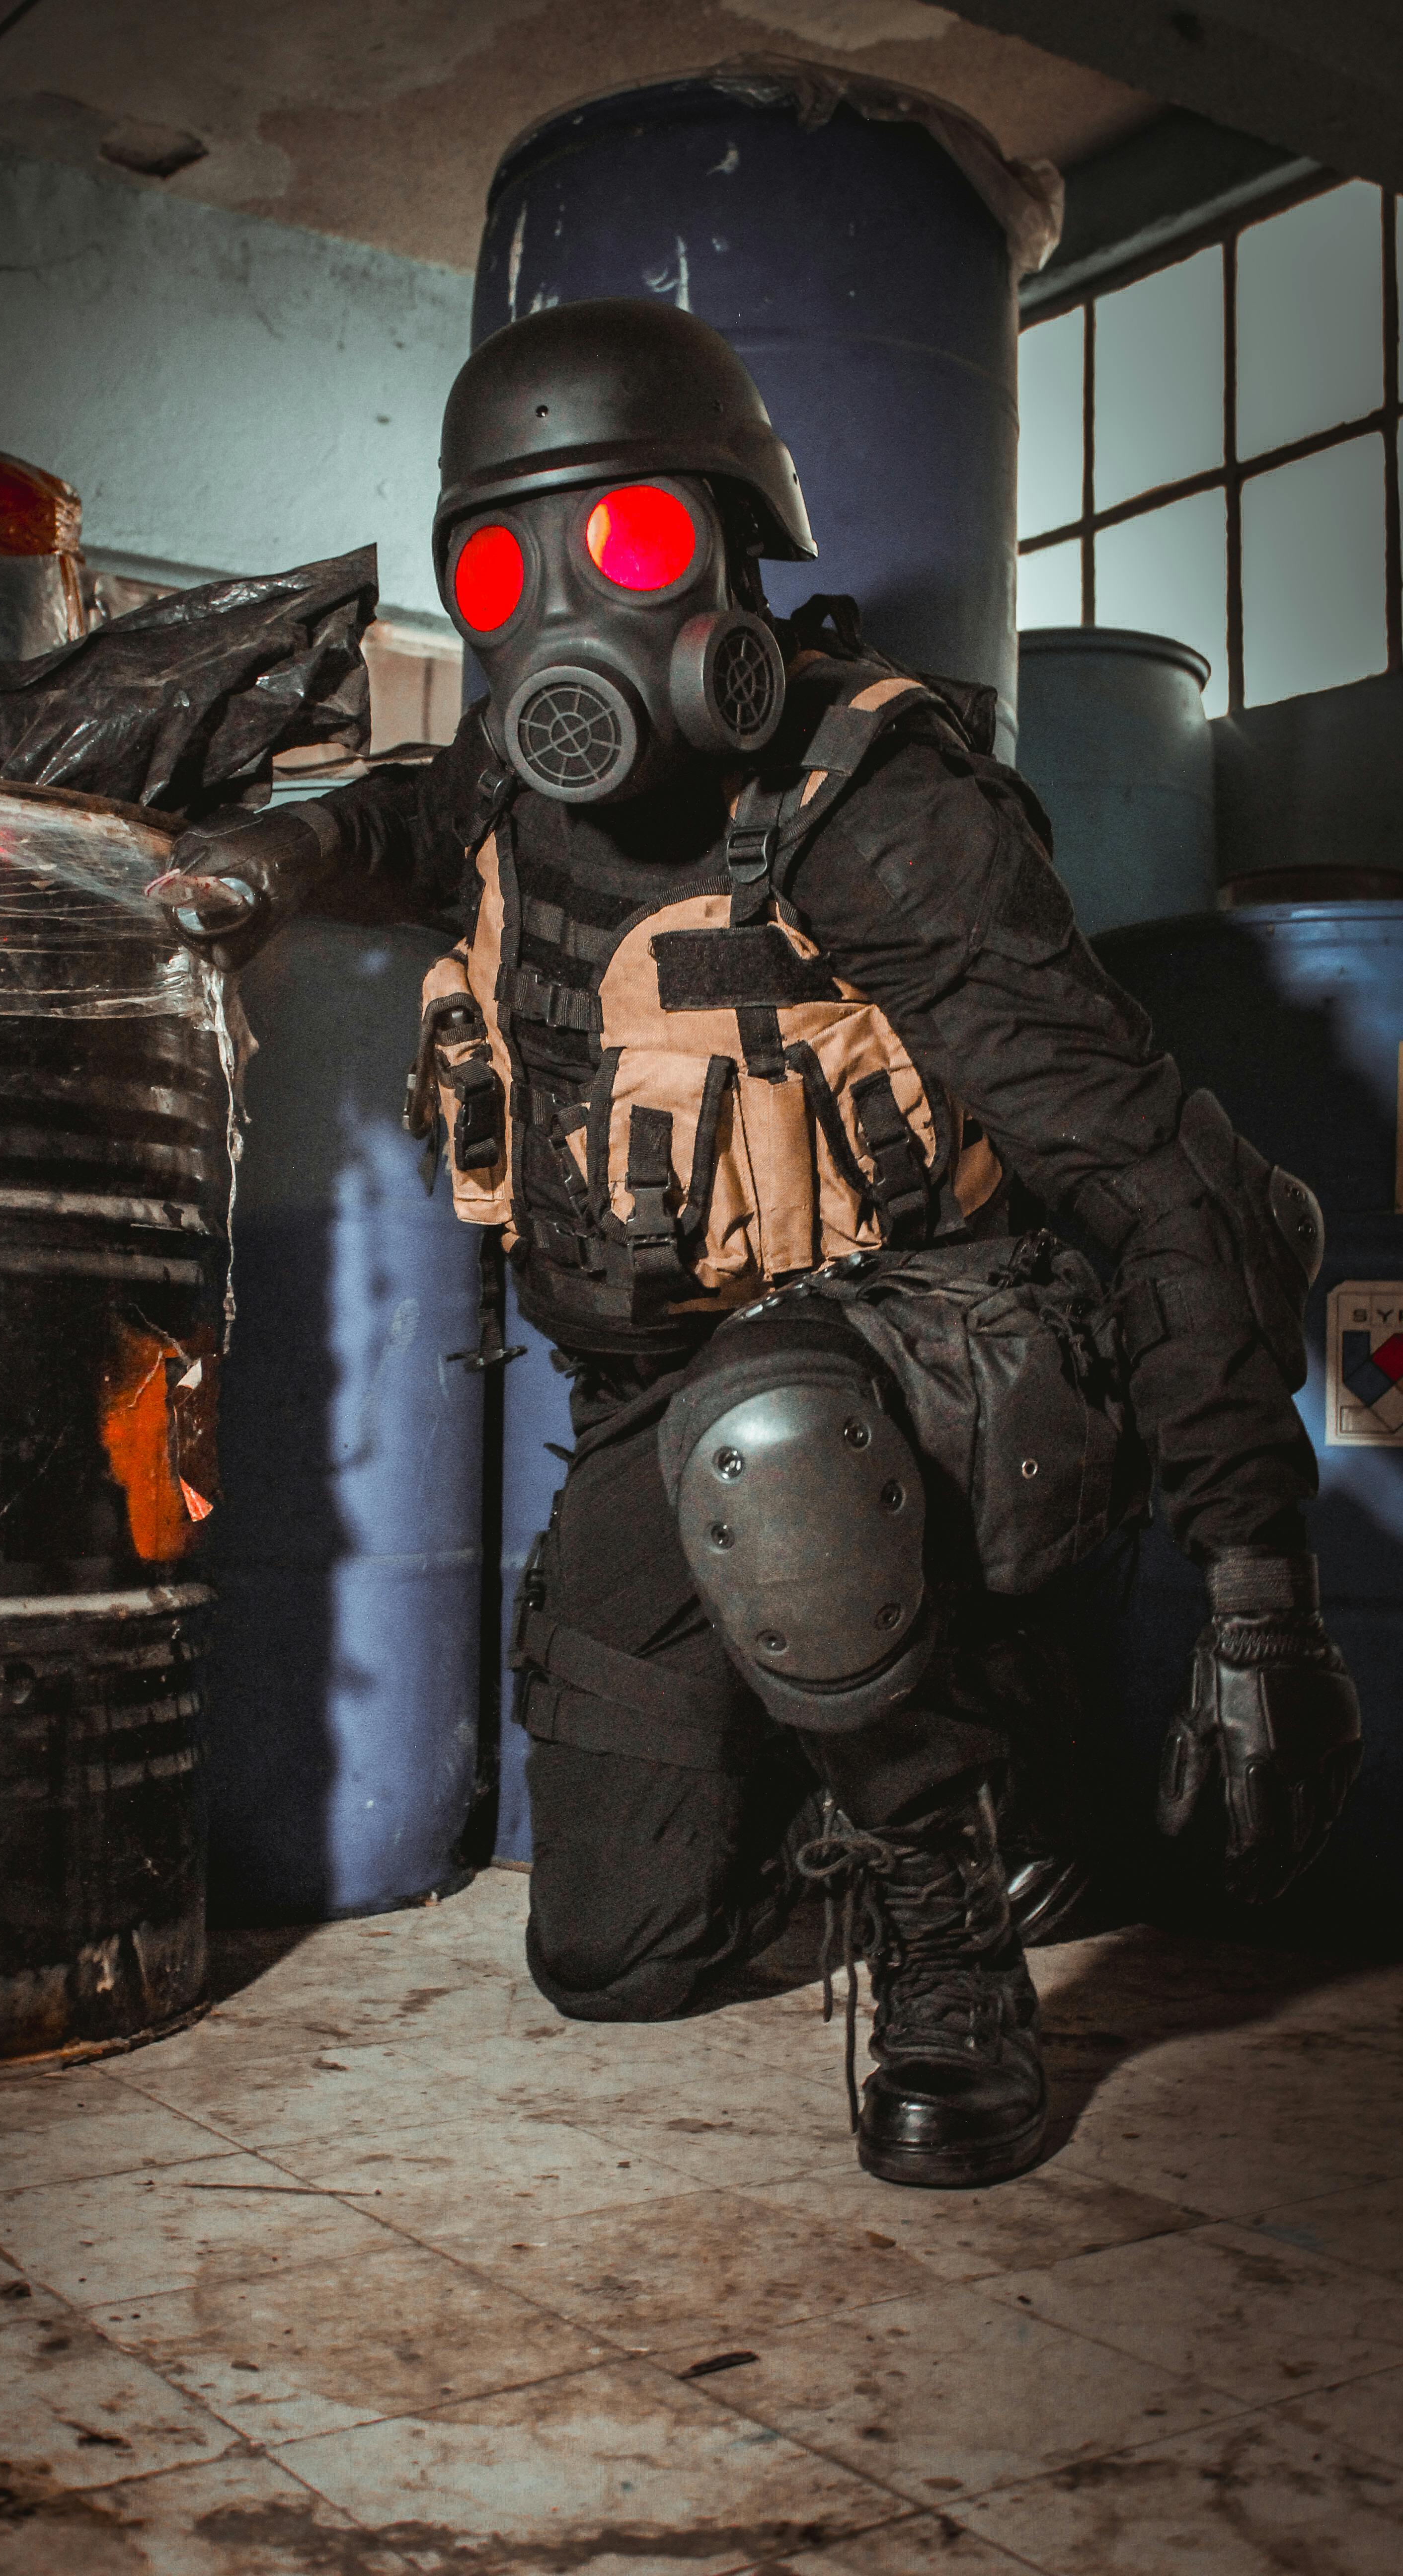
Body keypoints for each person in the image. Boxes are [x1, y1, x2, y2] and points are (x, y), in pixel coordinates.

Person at [151, 300, 1360, 2189]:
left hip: (950, 1360)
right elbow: (408, 818)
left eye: (625, 542)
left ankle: (948, 1925)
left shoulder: (876, 805)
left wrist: (1259, 1585)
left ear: (732, 555)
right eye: (501, 570)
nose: (564, 610)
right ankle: (973, 1813)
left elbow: (1146, 1172)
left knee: (770, 1427)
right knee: (612, 1956)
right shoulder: (512, 792)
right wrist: (278, 864)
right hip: (672, 1405)